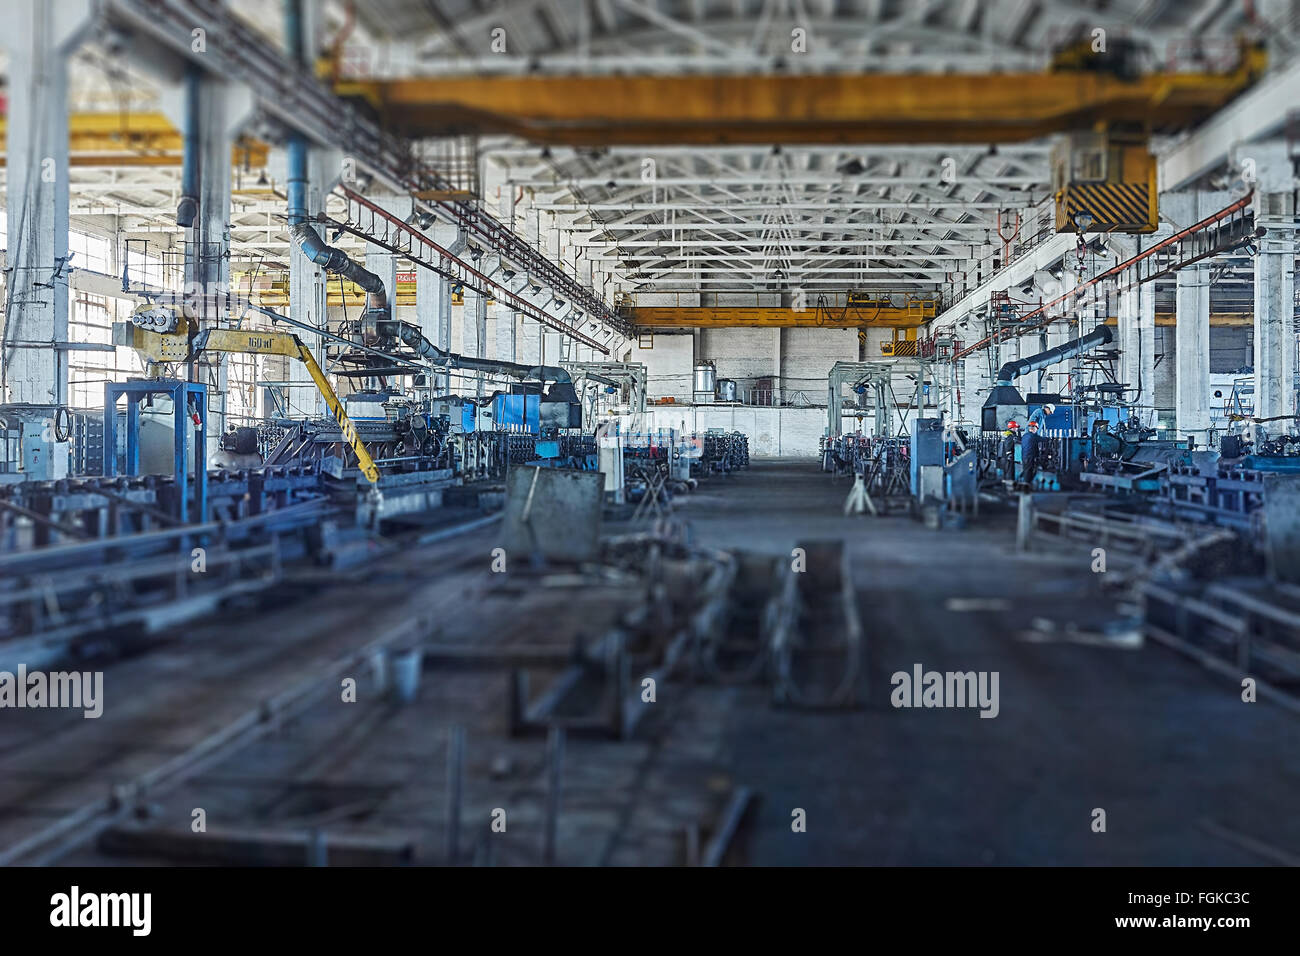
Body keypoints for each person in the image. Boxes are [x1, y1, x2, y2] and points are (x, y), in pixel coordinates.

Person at [1021, 419, 1041, 485]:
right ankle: (1026, 487)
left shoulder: (1024, 436)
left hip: (1024, 457)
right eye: (1036, 428)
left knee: (1026, 470)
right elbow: (1044, 439)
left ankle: (1025, 484)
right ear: (1034, 428)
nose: (1036, 430)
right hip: (1030, 457)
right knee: (1028, 472)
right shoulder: (1034, 436)